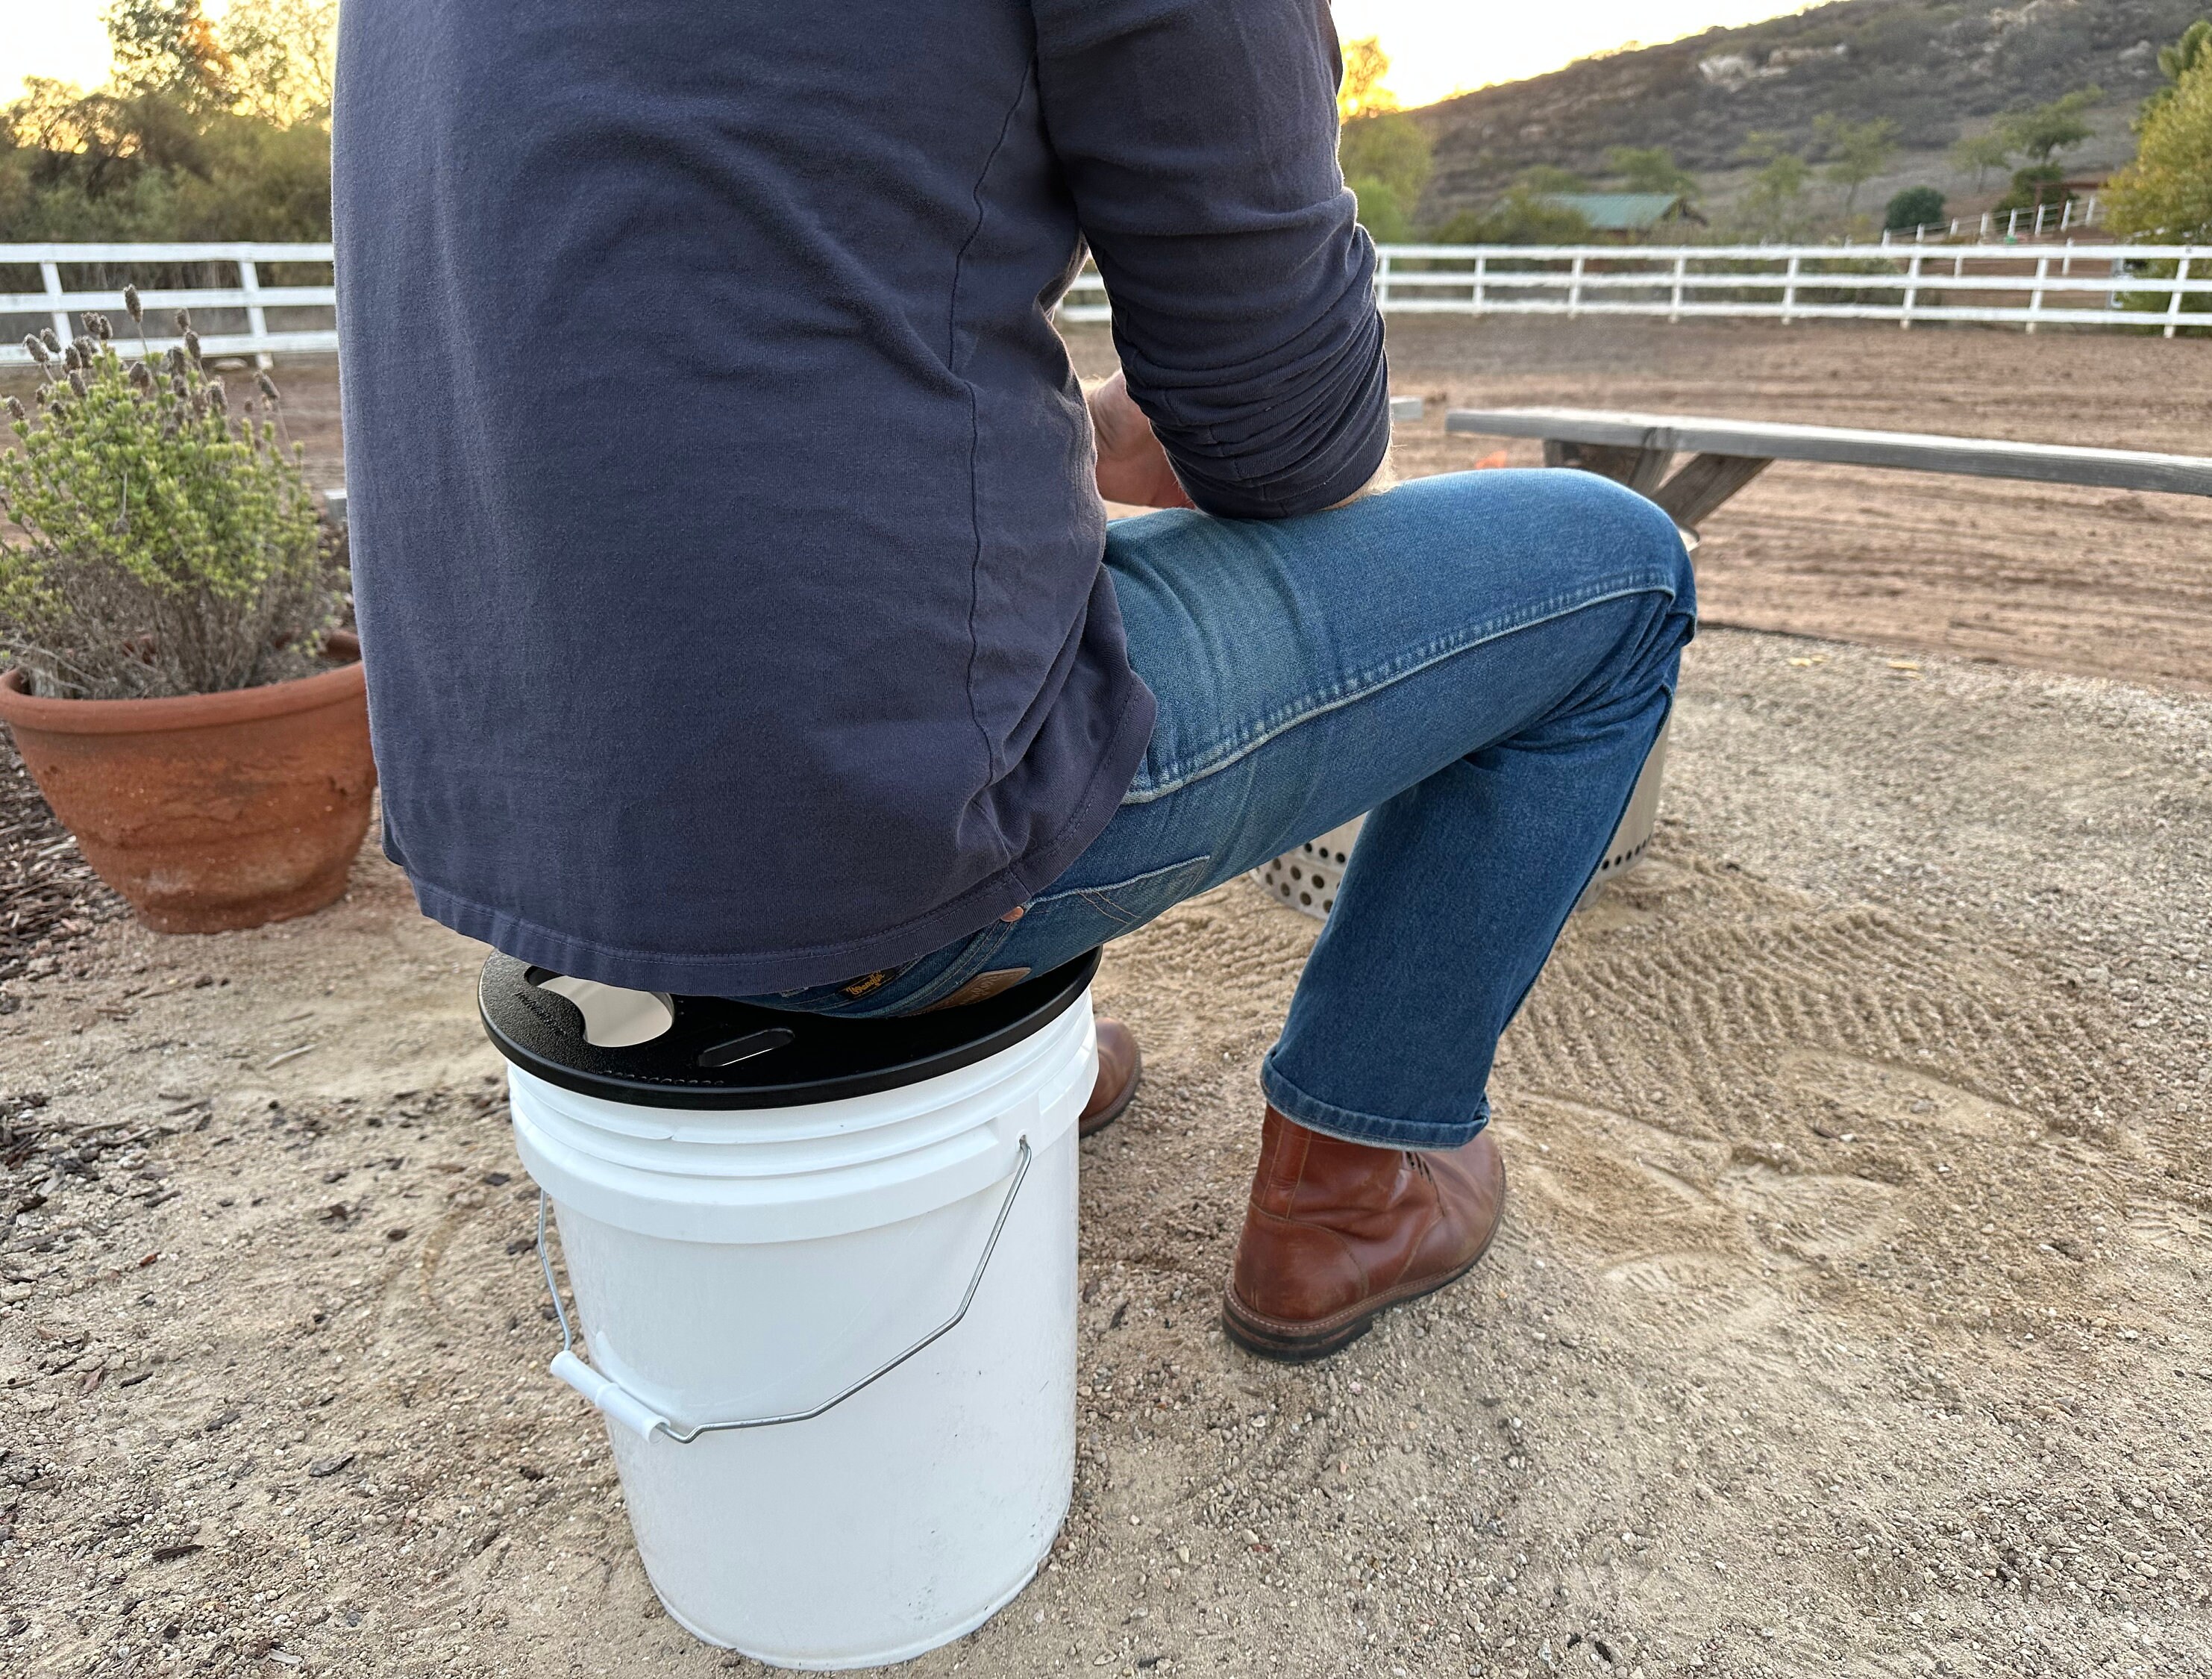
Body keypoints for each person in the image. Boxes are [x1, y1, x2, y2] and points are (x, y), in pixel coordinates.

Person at [333, 0, 1692, 1363]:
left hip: (521, 817)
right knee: (1623, 574)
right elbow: (1287, 436)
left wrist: (1073, 433)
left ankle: (994, 1037)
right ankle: (1352, 1183)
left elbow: (706, 302)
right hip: (855, 838)